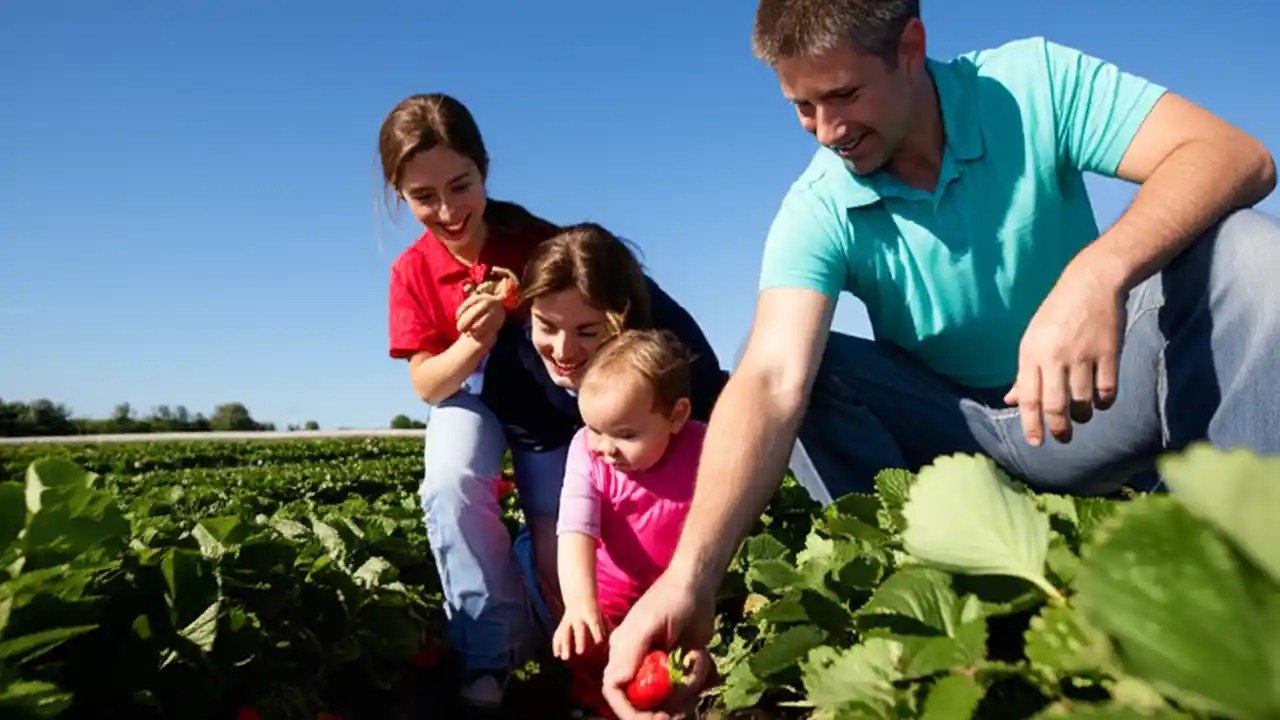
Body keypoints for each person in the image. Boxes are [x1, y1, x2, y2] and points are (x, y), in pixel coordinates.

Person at [602, 1, 1280, 718]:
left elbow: (1237, 154)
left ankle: (1240, 591)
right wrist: (691, 577)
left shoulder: (1033, 83)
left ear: (911, 48)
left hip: (1091, 404)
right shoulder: (820, 205)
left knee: (1249, 254)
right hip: (956, 440)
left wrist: (1097, 273)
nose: (828, 131)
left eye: (843, 95)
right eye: (802, 107)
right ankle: (947, 624)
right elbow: (770, 381)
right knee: (794, 363)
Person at [379, 92, 567, 712]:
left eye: (460, 186)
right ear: (399, 195)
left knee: (560, 512)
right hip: (469, 397)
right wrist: (473, 340)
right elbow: (428, 383)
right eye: (423, 197)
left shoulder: (538, 241)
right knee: (449, 482)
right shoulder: (411, 272)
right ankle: (492, 650)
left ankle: (572, 639)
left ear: (484, 169)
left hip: (546, 398)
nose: (448, 210)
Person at [481, 222, 730, 618]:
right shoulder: (515, 369)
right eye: (546, 326)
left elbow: (719, 464)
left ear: (621, 320)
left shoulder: (676, 350)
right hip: (575, 474)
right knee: (552, 570)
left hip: (666, 495)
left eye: (586, 331)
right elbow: (553, 510)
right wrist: (575, 603)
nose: (563, 350)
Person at [549, 329, 715, 719]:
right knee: (594, 655)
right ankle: (592, 705)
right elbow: (575, 527)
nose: (605, 448)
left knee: (681, 672)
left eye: (626, 434)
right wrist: (579, 603)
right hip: (608, 599)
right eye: (594, 428)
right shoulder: (584, 453)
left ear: (677, 416)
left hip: (679, 596)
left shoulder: (704, 448)